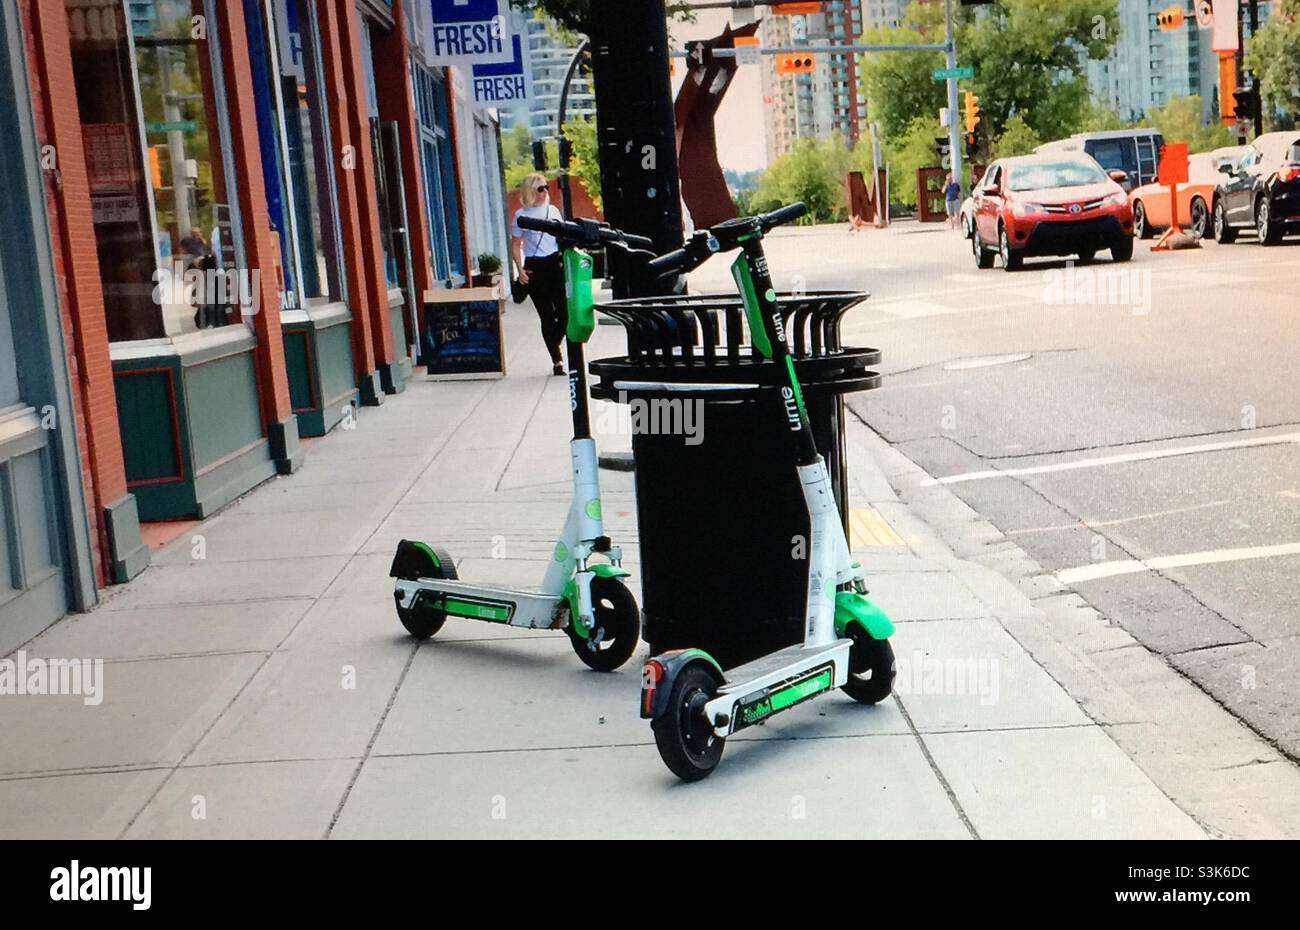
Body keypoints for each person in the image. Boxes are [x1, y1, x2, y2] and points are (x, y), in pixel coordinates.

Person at [511, 173, 567, 376]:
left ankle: (554, 343)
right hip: (535, 265)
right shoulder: (521, 215)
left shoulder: (553, 211)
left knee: (564, 314)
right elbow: (516, 245)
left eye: (546, 188)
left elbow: (563, 237)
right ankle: (557, 360)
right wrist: (520, 269)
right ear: (530, 192)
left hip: (555, 263)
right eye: (540, 189)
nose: (544, 192)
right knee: (546, 315)